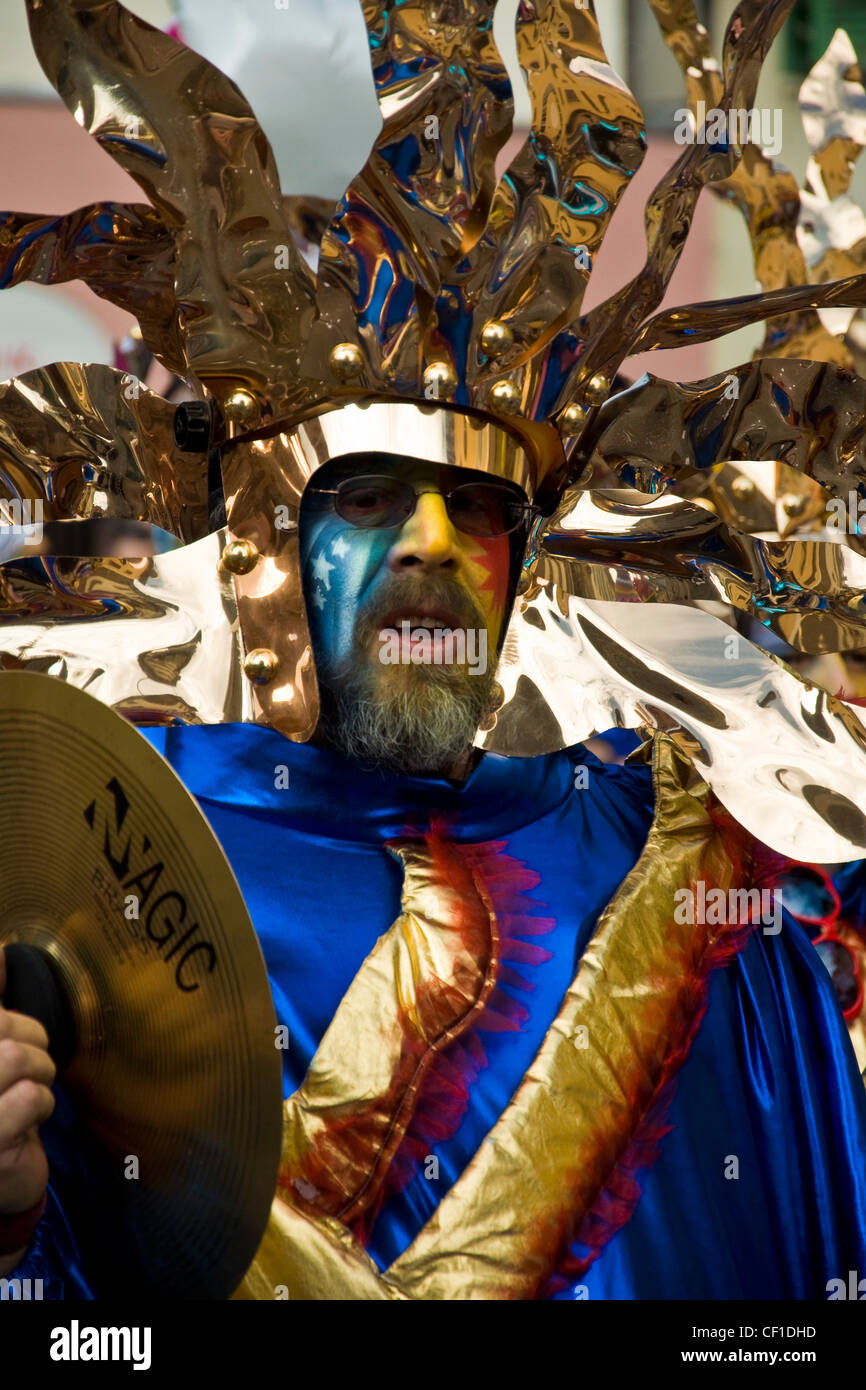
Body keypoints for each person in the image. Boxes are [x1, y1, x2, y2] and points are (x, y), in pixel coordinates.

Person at [2, 0, 866, 1301]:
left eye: (475, 507)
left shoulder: (680, 844)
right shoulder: (82, 852)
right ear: (265, 551)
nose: (431, 544)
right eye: (364, 499)